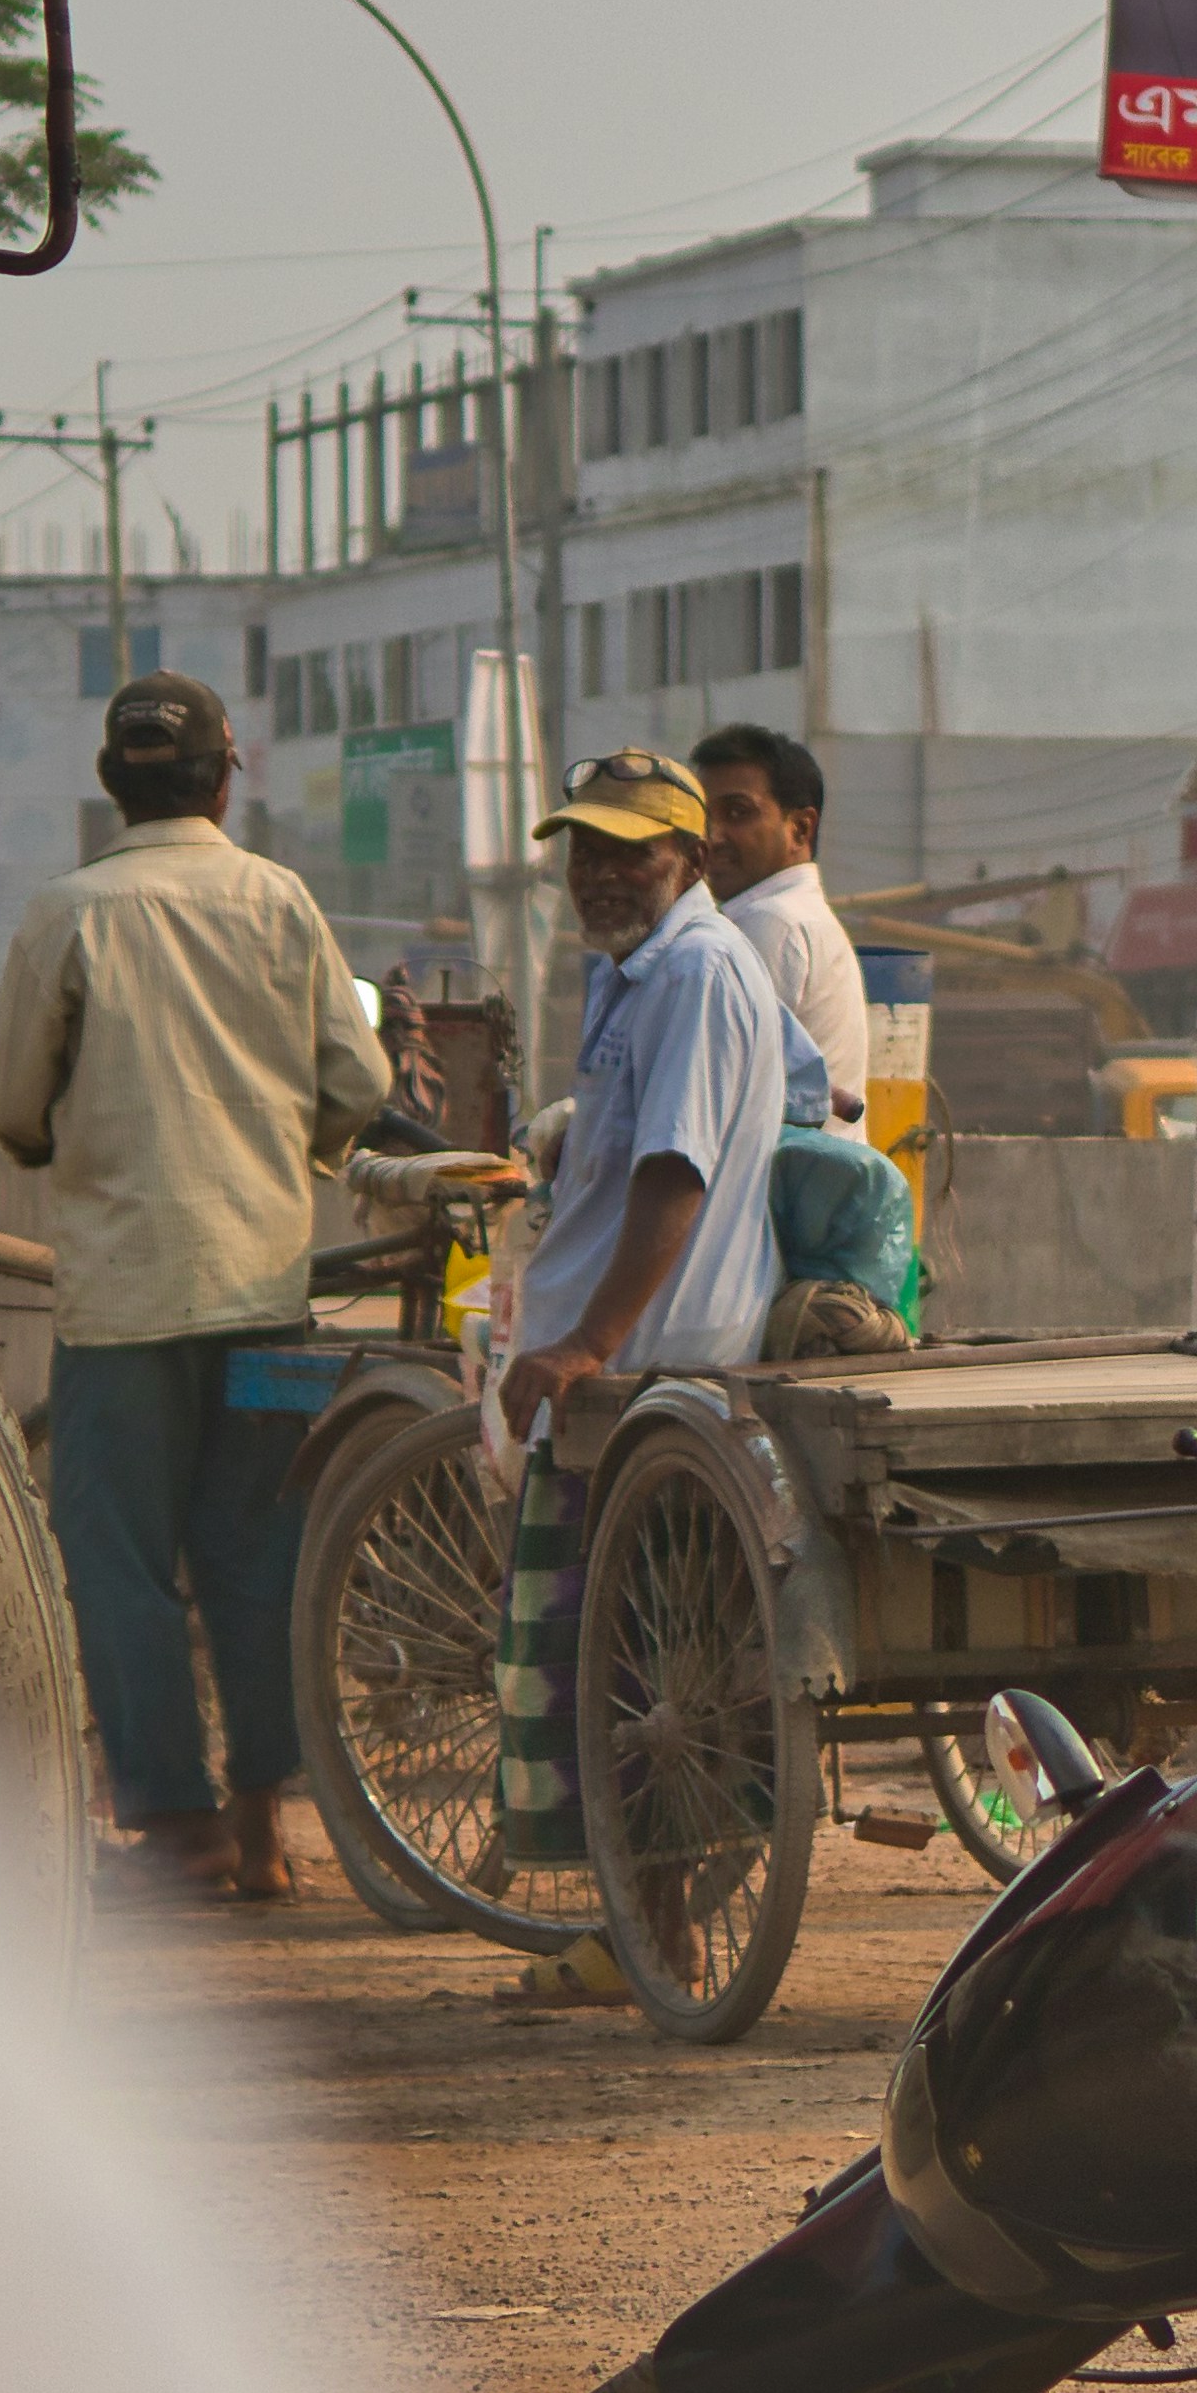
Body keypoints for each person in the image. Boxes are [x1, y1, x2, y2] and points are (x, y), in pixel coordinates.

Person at [0, 672, 390, 1904]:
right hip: (262, 1285)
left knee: (121, 1564)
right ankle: (262, 1834)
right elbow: (356, 1085)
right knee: (260, 1559)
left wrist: (69, 1141)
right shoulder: (281, 902)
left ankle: (175, 1827)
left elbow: (9, 1109)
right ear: (223, 781)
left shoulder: (69, 915)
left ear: (112, 784)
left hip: (126, 1303)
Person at [492, 750, 790, 1883]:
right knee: (629, 1672)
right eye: (585, 851)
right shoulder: (643, 972)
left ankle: (650, 1930)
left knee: (637, 1685)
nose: (600, 875)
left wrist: (586, 1345)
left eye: (631, 852)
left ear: (694, 858)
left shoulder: (695, 973)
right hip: (615, 1374)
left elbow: (678, 1174)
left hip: (645, 1372)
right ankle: (638, 1924)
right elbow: (814, 1090)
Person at [690, 721, 866, 1132]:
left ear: (800, 828)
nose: (712, 837)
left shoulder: (771, 923)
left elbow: (708, 1084)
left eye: (738, 813)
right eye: (702, 816)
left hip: (784, 1190)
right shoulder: (791, 916)